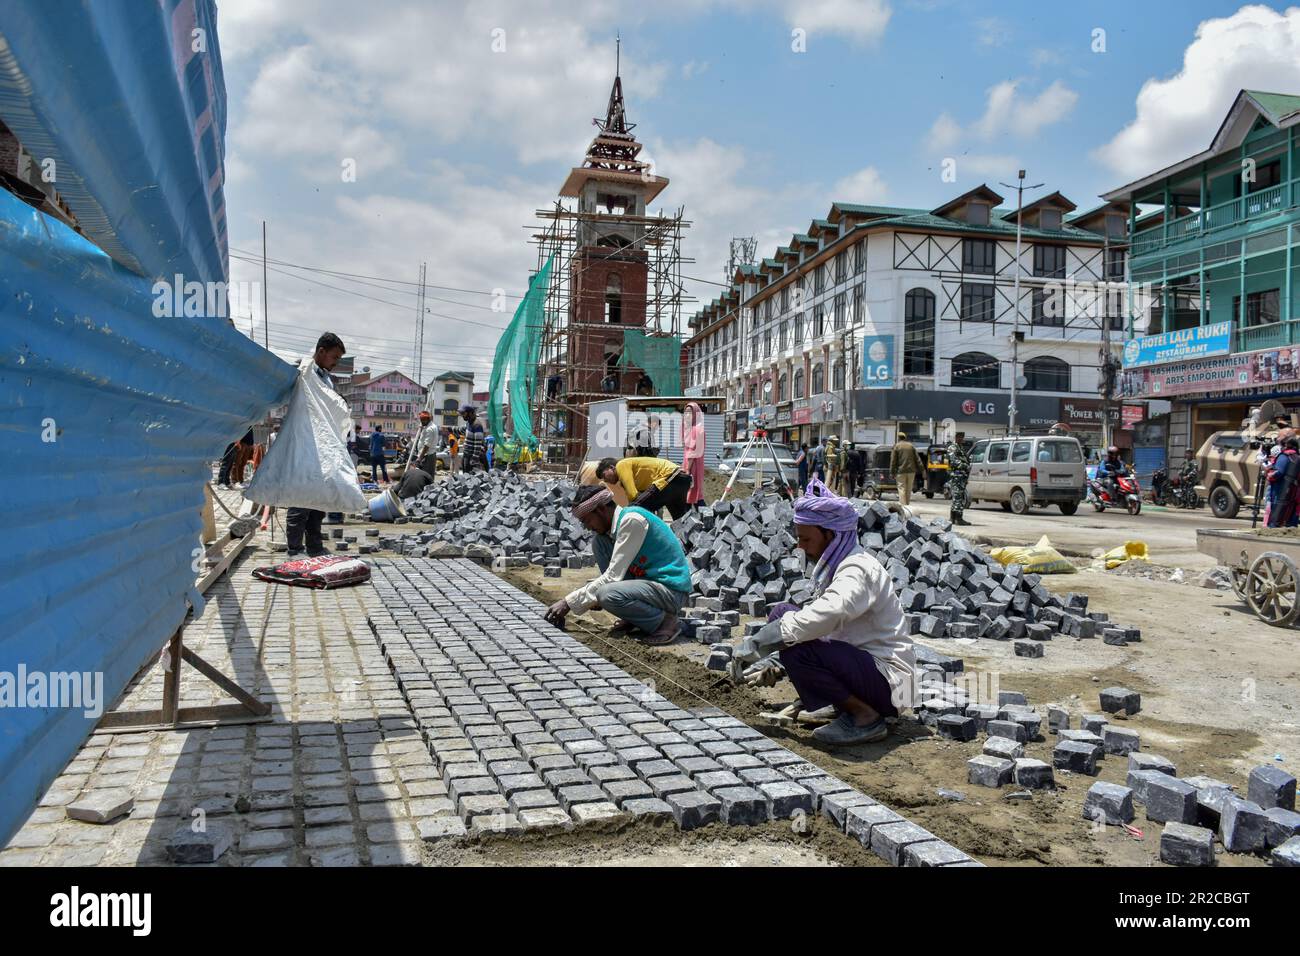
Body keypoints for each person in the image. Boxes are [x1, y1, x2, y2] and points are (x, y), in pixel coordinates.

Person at [731, 477, 916, 746]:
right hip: (867, 669)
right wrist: (778, 664)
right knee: (784, 614)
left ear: (831, 534)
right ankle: (840, 704)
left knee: (794, 639)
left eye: (806, 538)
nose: (801, 546)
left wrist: (760, 642)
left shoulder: (858, 570)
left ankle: (864, 716)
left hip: (890, 685)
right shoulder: (839, 565)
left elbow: (829, 614)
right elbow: (827, 631)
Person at [544, 484, 691, 645]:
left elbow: (613, 577)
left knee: (606, 594)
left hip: (671, 590)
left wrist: (568, 603)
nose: (586, 527)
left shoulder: (632, 521)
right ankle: (634, 616)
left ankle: (666, 622)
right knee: (600, 543)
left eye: (586, 520)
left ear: (600, 510)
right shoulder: (613, 529)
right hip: (649, 585)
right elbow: (614, 574)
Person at [286, 332, 347, 557]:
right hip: (304, 444)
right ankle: (294, 549)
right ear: (321, 352)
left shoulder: (326, 378)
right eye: (334, 357)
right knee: (300, 499)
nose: (336, 363)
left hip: (322, 447)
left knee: (317, 501)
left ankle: (314, 547)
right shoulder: (303, 371)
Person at [597, 455, 693, 520]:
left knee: (633, 508)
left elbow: (633, 496)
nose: (605, 481)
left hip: (670, 477)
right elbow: (644, 495)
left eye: (604, 475)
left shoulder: (621, 465)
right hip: (682, 479)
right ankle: (690, 547)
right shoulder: (633, 476)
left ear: (611, 467)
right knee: (680, 521)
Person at [1267, 434, 1300, 527]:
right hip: (1294, 491)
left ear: (1286, 445)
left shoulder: (1284, 456)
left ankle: (1273, 527)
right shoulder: (1297, 457)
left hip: (1280, 490)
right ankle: (1290, 527)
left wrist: (1268, 474)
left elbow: (1278, 472)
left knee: (1277, 511)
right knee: (1291, 510)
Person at [682, 402, 707, 508]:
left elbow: (692, 452)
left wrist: (687, 470)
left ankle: (706, 518)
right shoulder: (691, 429)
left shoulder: (697, 429)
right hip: (691, 464)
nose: (686, 415)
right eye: (685, 412)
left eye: (690, 413)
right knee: (692, 494)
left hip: (693, 466)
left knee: (692, 493)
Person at [890, 432, 923, 507]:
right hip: (911, 472)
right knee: (908, 489)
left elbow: (893, 460)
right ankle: (907, 505)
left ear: (898, 438)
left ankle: (903, 506)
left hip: (900, 471)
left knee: (902, 489)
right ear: (905, 438)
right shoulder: (911, 446)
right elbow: (918, 459)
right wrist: (922, 470)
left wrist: (892, 472)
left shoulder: (896, 446)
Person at [947, 431, 971, 526]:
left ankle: (953, 518)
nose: (961, 438)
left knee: (958, 497)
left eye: (962, 437)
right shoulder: (952, 447)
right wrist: (965, 466)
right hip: (957, 475)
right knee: (958, 497)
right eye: (959, 437)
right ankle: (958, 518)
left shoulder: (960, 447)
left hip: (961, 475)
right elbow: (954, 461)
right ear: (955, 437)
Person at [460, 405, 487, 472]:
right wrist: (449, 429)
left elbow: (477, 445)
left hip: (472, 457)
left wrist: (474, 459)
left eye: (464, 414)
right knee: (465, 476)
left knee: (471, 478)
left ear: (470, 413)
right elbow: (460, 430)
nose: (463, 416)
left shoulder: (477, 425)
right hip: (467, 454)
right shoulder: (468, 424)